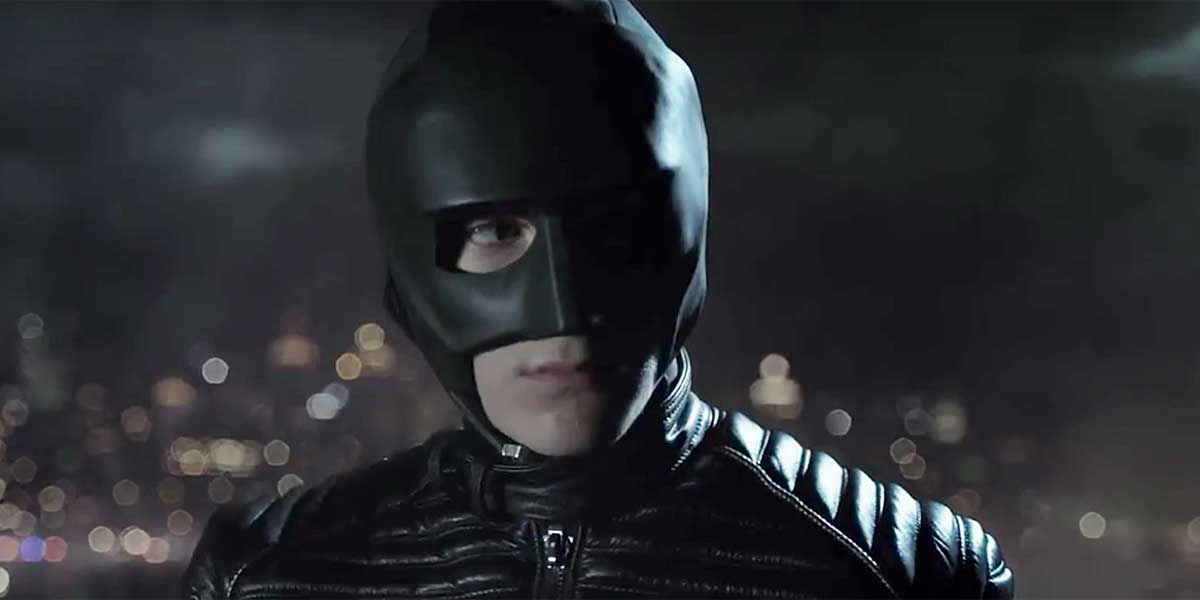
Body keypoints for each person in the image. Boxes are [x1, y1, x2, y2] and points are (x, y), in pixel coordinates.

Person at [183, 1, 1015, 598]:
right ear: (414, 267)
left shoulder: (909, 572)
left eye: (610, 227)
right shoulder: (272, 574)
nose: (564, 305)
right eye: (496, 230)